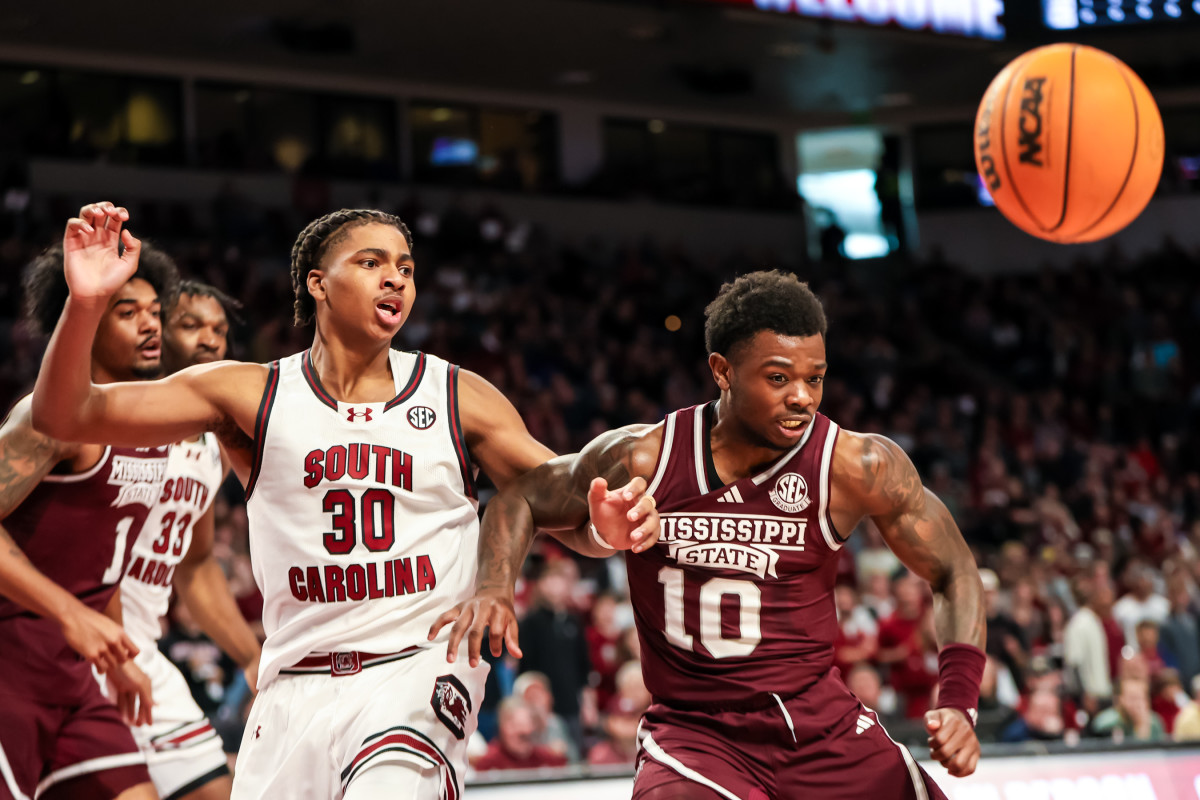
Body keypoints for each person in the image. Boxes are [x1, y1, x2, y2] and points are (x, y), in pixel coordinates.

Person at [31, 202, 659, 800]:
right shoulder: (250, 393)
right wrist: (85, 303)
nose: (395, 278)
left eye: (406, 268)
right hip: (292, 685)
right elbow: (66, 413)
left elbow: (552, 501)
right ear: (318, 284)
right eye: (371, 262)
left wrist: (603, 528)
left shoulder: (457, 394)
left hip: (415, 671)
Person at [437, 270, 986, 799]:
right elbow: (519, 497)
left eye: (814, 377)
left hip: (819, 722)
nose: (802, 396)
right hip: (696, 733)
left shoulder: (857, 464)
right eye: (778, 378)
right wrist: (494, 588)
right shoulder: (647, 455)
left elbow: (954, 570)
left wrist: (960, 702)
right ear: (722, 370)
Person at [0, 242, 179, 800]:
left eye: (155, 313)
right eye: (128, 314)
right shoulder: (48, 420)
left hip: (71, 676)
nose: (150, 326)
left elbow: (104, 556)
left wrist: (120, 652)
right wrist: (70, 613)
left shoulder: (148, 426)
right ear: (83, 325)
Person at [116, 278, 262, 800]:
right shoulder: (117, 415)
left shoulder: (209, 444)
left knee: (216, 791)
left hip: (142, 650)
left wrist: (250, 657)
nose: (210, 340)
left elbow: (196, 565)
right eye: (192, 325)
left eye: (219, 330)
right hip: (77, 644)